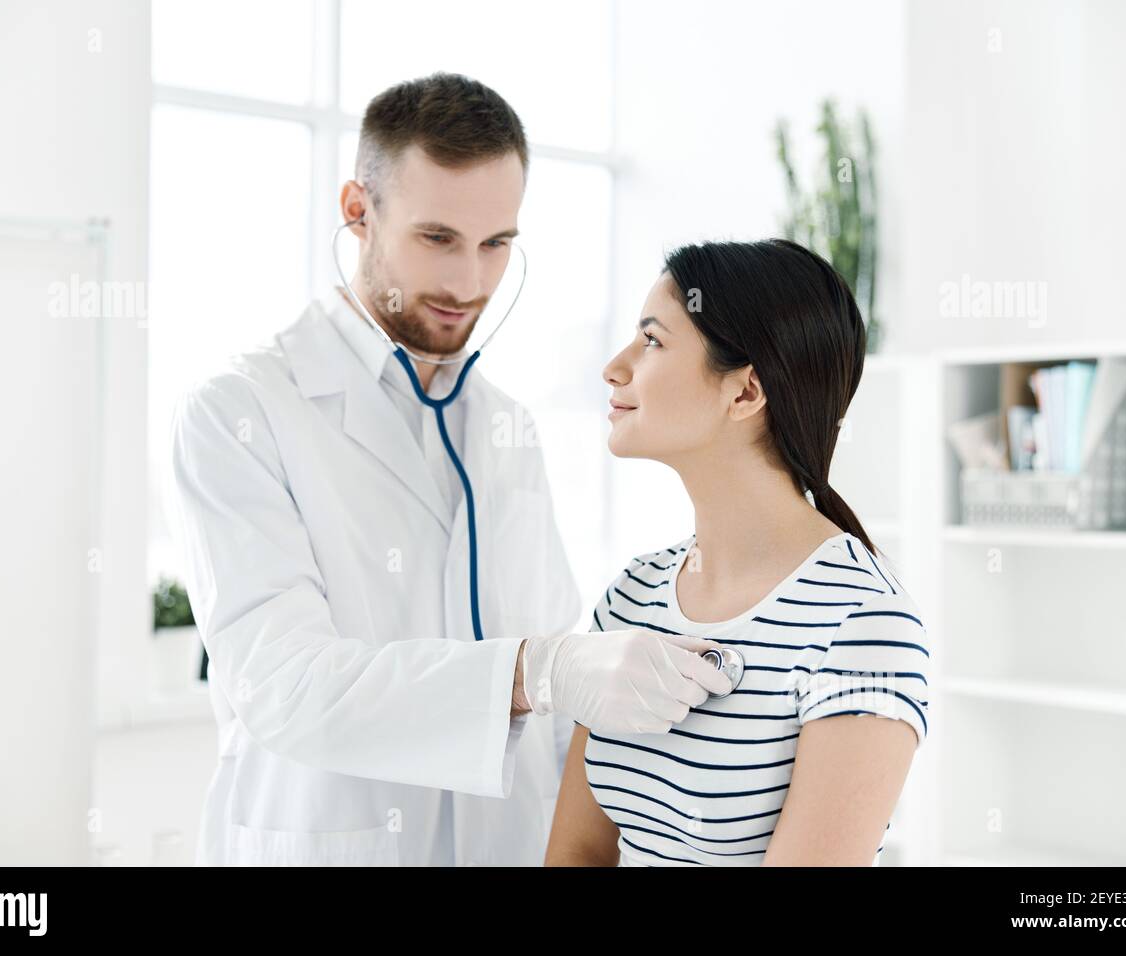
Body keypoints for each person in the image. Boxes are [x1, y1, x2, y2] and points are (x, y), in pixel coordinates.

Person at [165, 73, 728, 866]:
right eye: (438, 239)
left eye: (497, 244)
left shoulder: (506, 426)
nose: (471, 285)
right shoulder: (241, 414)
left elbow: (556, 679)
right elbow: (284, 687)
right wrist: (540, 669)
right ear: (358, 211)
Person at [544, 239, 931, 866]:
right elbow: (576, 854)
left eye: (652, 341)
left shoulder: (862, 625)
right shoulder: (631, 597)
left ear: (746, 393)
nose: (615, 367)